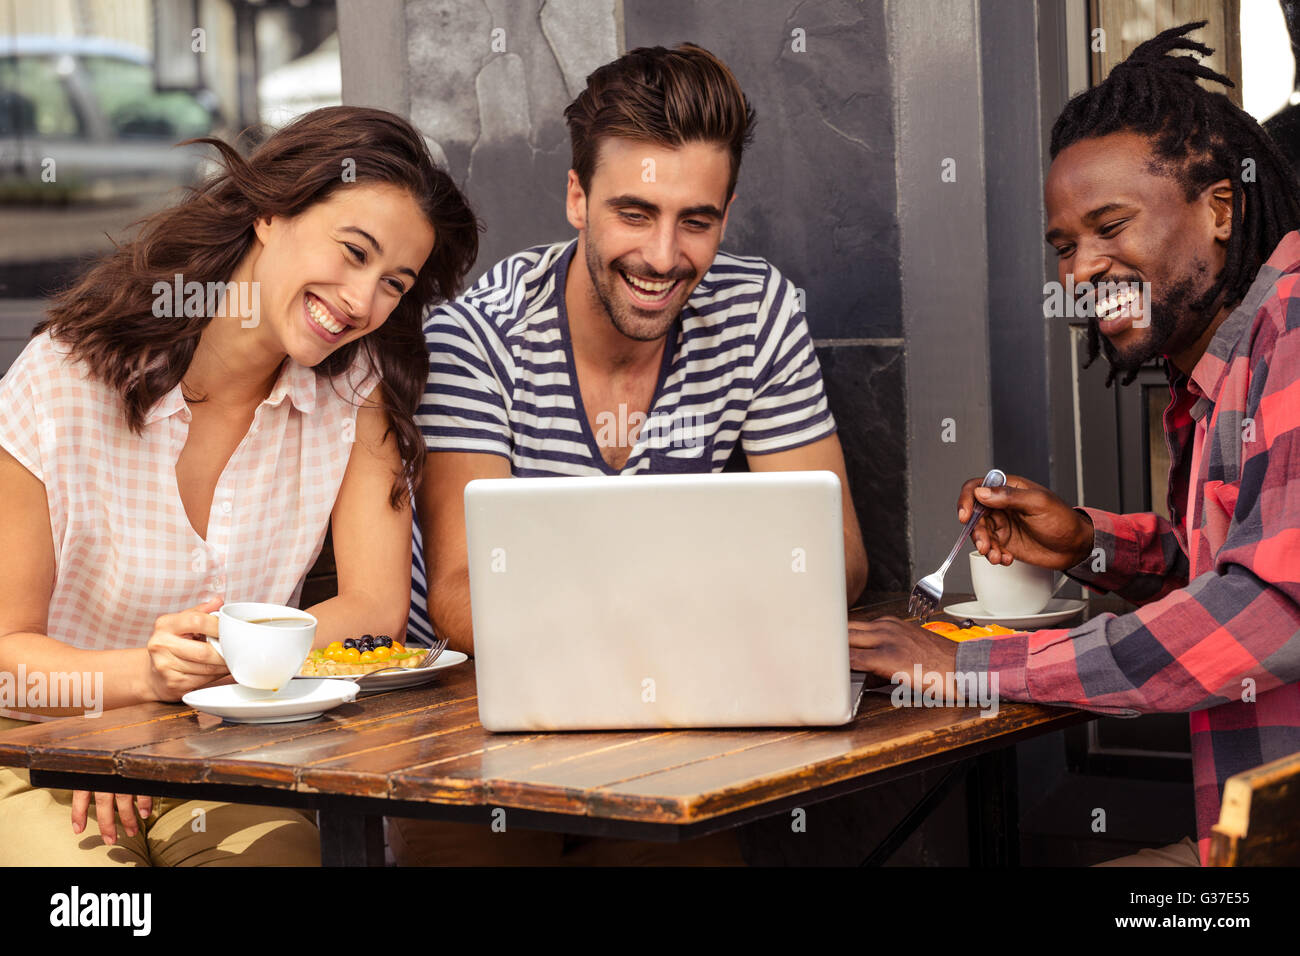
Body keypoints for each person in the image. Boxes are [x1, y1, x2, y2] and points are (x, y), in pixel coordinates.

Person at [391, 43, 869, 865]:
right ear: (577, 199)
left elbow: (837, 560)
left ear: (727, 214)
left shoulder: (757, 311)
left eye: (697, 221)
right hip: (476, 728)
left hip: (676, 719)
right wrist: (706, 600)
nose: (662, 257)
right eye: (635, 213)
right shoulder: (476, 338)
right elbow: (464, 601)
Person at [849, 22, 1300, 867]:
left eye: (1111, 225)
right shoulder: (1215, 372)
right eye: (1064, 246)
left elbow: (1272, 611)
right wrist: (1088, 543)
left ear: (1221, 209)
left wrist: (970, 668)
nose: (1081, 271)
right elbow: (1230, 572)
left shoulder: (1295, 326)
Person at [0, 106, 479, 865]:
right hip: (42, 748)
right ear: (270, 213)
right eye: (353, 251)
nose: (362, 301)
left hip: (222, 746)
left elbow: (372, 607)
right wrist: (140, 684)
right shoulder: (62, 381)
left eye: (394, 282)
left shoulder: (356, 392)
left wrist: (229, 666)